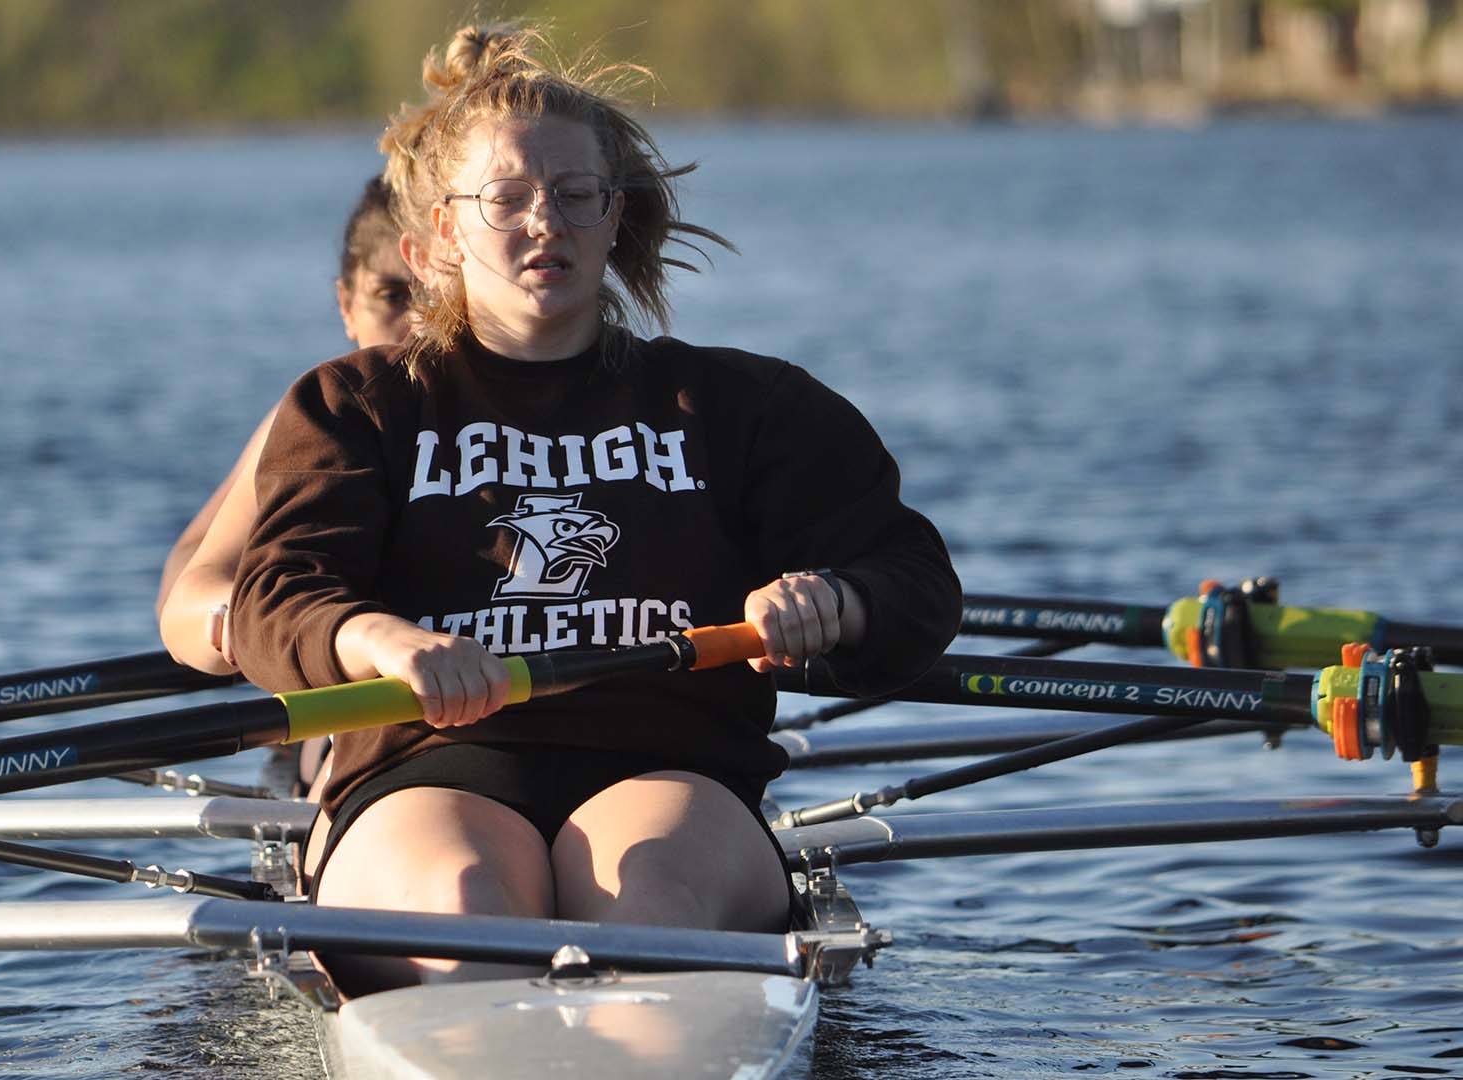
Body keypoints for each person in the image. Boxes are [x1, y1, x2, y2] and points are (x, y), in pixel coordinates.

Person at [230, 23, 961, 989]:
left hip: (670, 766)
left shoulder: (746, 406)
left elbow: (913, 579)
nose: (547, 223)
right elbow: (273, 599)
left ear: (616, 217)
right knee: (466, 905)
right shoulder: (356, 404)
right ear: (444, 231)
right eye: (510, 199)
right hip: (426, 767)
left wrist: (835, 601)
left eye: (577, 196)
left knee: (648, 901)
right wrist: (387, 644)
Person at [158, 178, 412, 798]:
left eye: (439, 295)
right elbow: (189, 576)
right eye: (392, 296)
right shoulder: (321, 419)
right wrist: (251, 621)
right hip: (346, 707)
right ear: (346, 305)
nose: (418, 323)